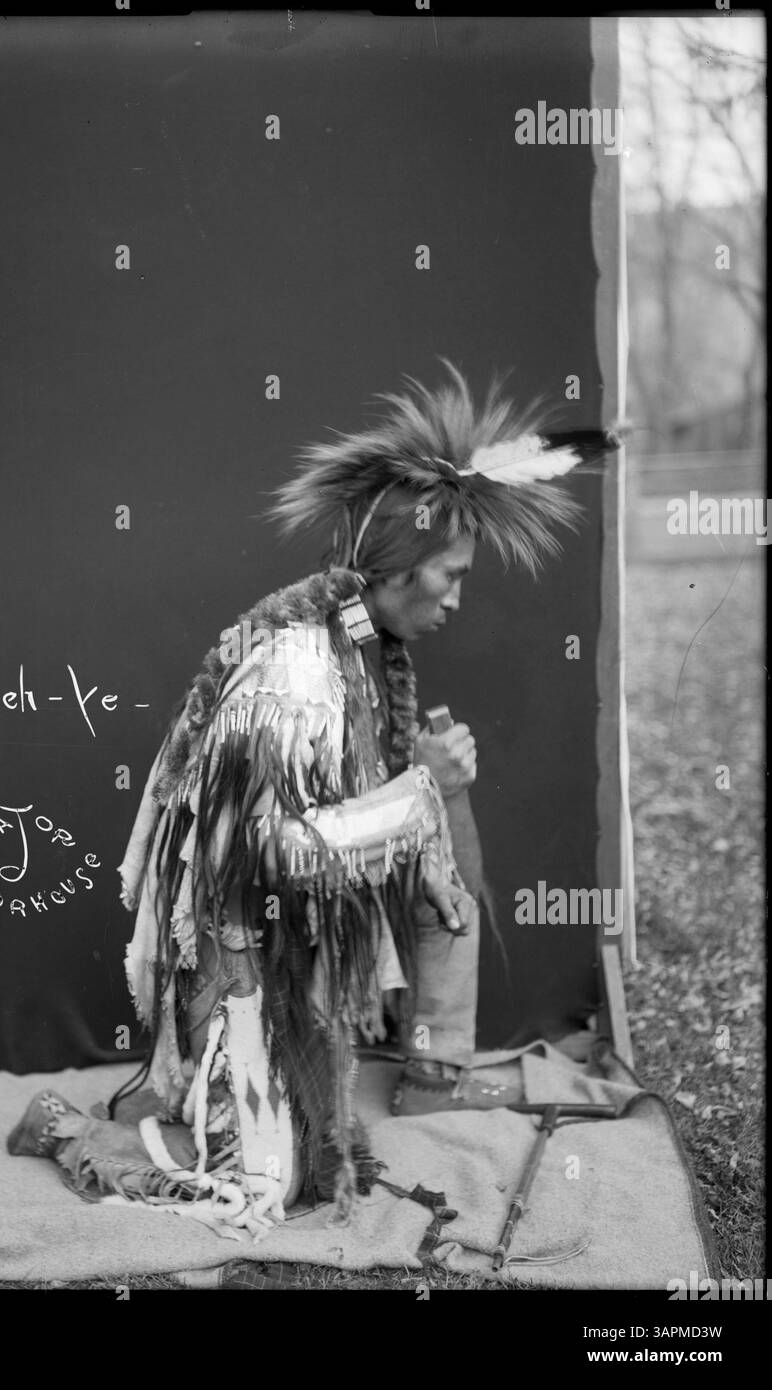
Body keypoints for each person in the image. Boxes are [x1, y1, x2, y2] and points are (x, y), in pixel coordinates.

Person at [115, 360, 584, 1228]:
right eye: (451, 574)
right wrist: (420, 793)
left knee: (447, 829)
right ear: (400, 564)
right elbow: (275, 851)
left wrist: (429, 800)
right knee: (261, 1192)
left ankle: (434, 1068)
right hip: (242, 965)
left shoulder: (364, 649)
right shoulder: (296, 669)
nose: (456, 598)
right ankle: (77, 1132)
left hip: (307, 950)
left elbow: (358, 816)